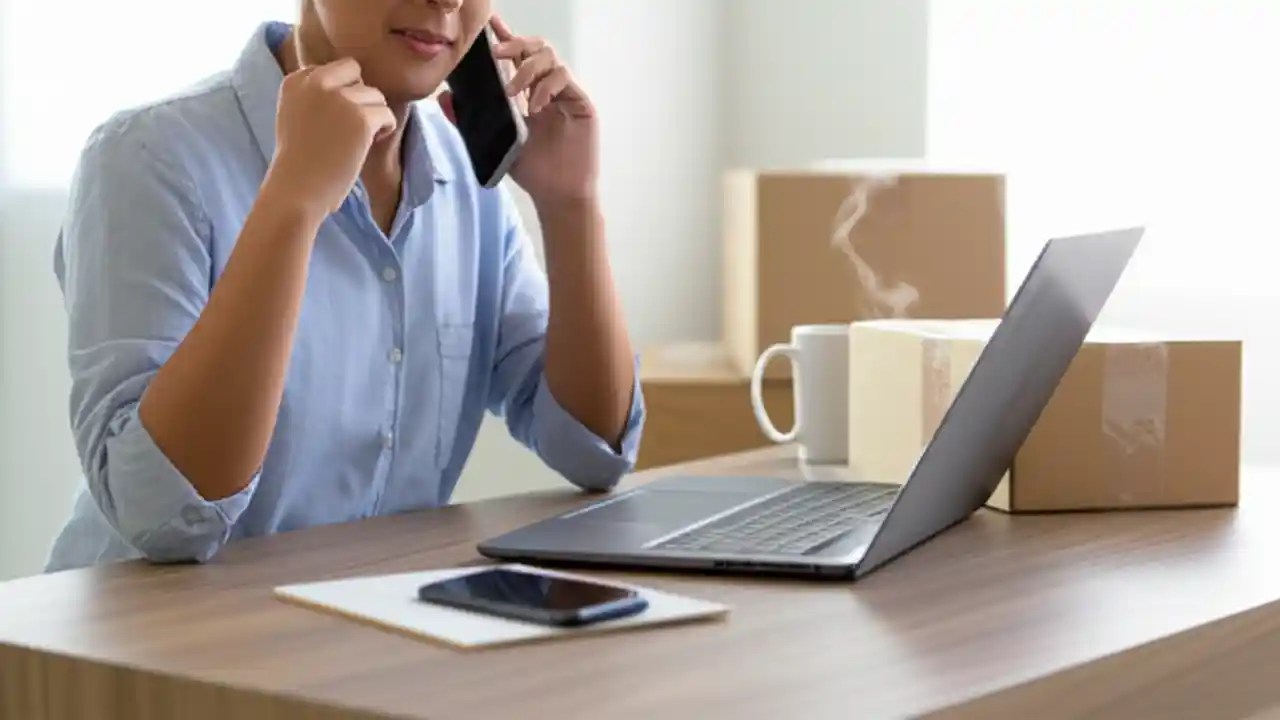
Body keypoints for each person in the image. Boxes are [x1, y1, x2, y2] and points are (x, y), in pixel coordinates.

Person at [45, 0, 644, 572]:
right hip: (146, 636)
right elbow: (162, 517)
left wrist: (571, 206)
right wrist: (292, 204)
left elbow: (591, 451)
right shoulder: (148, 156)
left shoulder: (466, 175)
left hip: (366, 624)